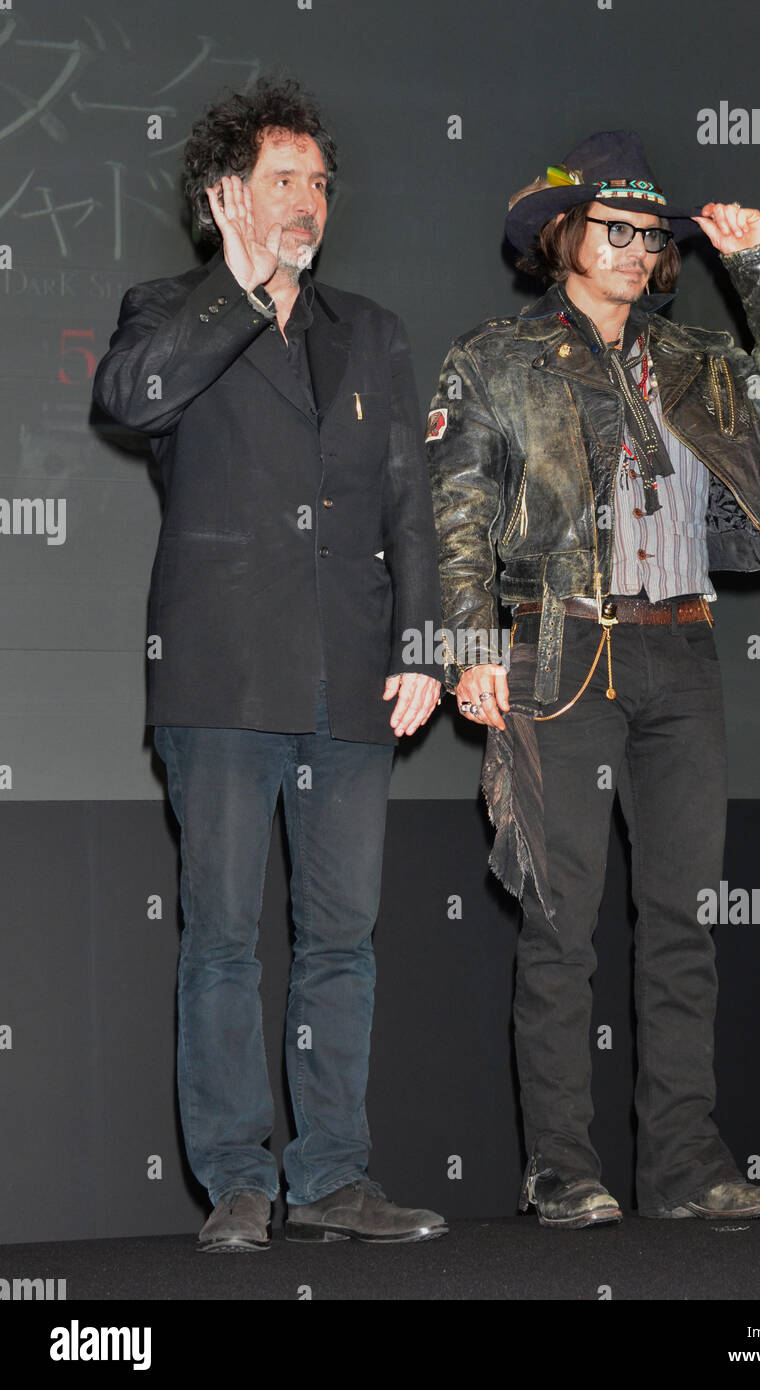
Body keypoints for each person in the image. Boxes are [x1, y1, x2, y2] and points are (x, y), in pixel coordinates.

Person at [427, 130, 760, 1228]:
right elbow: (456, 515)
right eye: (614, 228)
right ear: (561, 236)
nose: (634, 249)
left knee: (681, 921)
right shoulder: (496, 357)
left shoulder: (696, 359)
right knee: (560, 924)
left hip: (682, 648)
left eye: (651, 236)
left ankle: (685, 1166)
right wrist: (470, 650)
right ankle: (561, 1166)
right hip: (560, 649)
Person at [94, 78, 446, 1250]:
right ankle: (238, 1180)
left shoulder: (373, 331)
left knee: (342, 940)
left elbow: (414, 500)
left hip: (351, 679)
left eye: (319, 185)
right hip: (220, 680)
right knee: (225, 941)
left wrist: (425, 645)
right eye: (282, 181)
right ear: (226, 194)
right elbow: (131, 399)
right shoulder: (165, 310)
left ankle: (335, 1177)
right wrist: (235, 298)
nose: (307, 202)